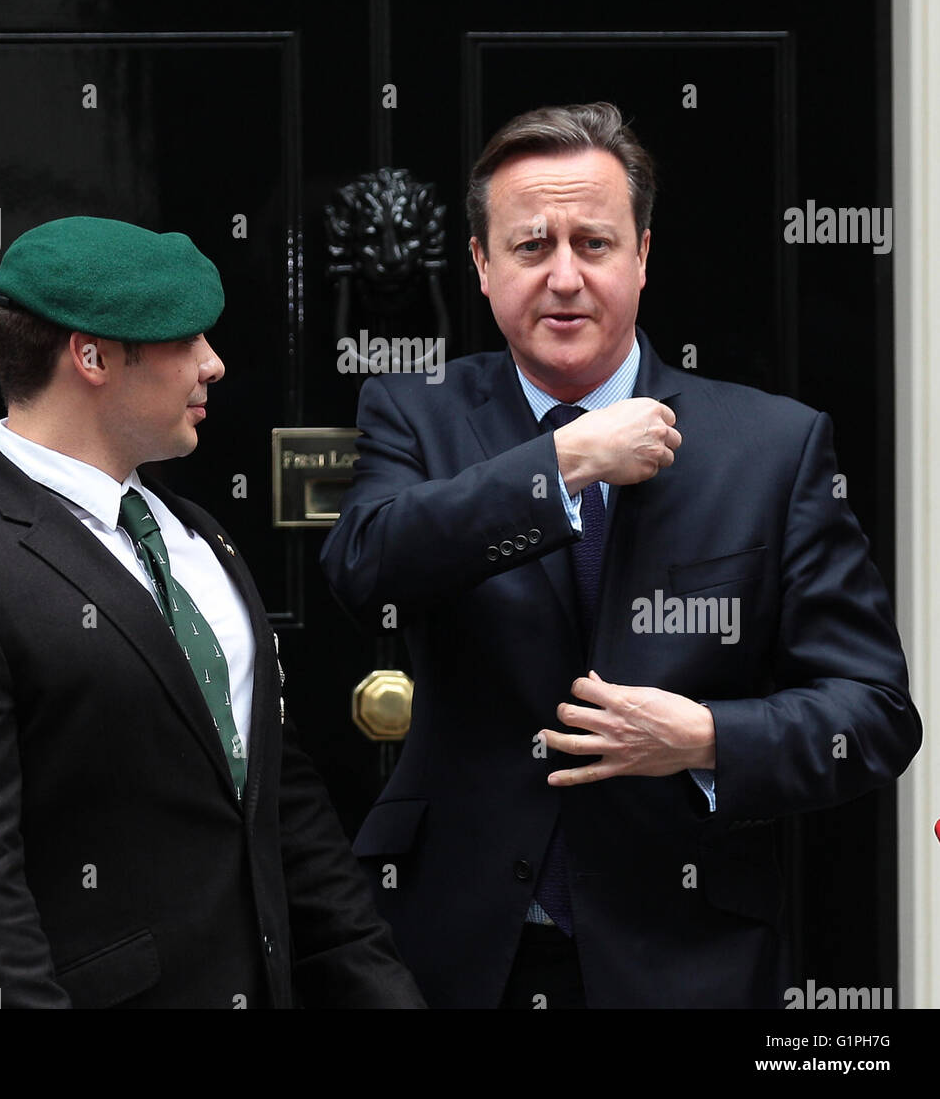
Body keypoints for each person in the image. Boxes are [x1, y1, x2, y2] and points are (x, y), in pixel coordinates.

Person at [321, 102, 921, 1010]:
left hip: (682, 957)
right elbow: (366, 566)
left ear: (642, 255)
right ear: (481, 266)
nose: (563, 277)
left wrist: (705, 739)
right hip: (456, 952)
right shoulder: (414, 413)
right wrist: (560, 464)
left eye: (593, 244)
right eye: (530, 247)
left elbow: (872, 713)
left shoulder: (773, 446)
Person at [0, 216, 424, 1009]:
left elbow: (282, 811)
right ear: (91, 356)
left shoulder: (201, 541)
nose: (213, 365)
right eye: (184, 339)